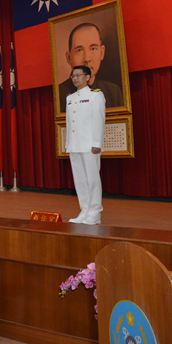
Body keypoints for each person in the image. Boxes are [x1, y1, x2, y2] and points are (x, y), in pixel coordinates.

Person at [65, 65, 106, 225]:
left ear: (88, 77)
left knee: (92, 179)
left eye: (78, 75)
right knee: (80, 180)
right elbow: (70, 124)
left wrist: (97, 143)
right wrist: (69, 144)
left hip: (89, 145)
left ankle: (95, 213)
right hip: (75, 145)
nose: (75, 78)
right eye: (72, 76)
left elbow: (99, 120)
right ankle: (85, 210)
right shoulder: (70, 98)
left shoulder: (95, 96)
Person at [57, 23, 124, 112]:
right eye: (79, 50)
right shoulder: (58, 94)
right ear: (69, 58)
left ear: (101, 53)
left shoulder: (114, 92)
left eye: (93, 49)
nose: (87, 59)